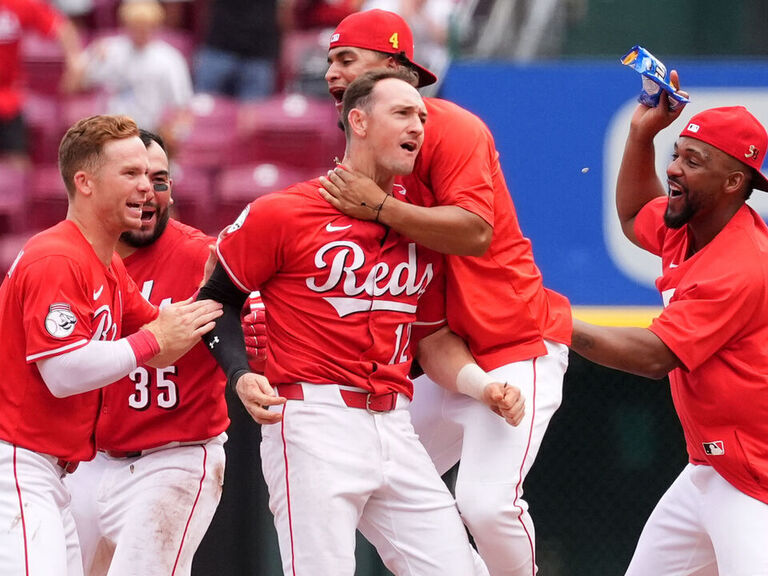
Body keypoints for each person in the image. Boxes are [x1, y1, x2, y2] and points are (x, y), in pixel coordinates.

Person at [199, 69, 524, 576]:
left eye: (422, 115)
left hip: (395, 425)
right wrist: (239, 374)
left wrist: (482, 387)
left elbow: (433, 338)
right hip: (312, 420)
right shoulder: (284, 212)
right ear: (359, 120)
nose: (419, 124)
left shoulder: (420, 226)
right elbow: (216, 299)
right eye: (402, 113)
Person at [318, 10, 571, 576]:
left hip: (517, 345)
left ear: (391, 65)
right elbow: (425, 326)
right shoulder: (368, 161)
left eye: (345, 58)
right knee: (372, 486)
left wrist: (380, 207)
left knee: (484, 503)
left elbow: (476, 233)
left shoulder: (449, 126)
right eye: (331, 60)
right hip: (449, 359)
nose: (331, 71)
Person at [0, 114, 222, 575]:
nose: (147, 187)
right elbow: (62, 373)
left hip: (50, 472)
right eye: (130, 174)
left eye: (150, 174)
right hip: (15, 466)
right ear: (85, 182)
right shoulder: (58, 257)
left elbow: (163, 337)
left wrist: (217, 298)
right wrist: (151, 339)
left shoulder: (103, 261)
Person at [570, 78, 768, 574]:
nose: (674, 167)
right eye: (677, 153)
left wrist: (547, 318)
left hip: (755, 481)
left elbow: (655, 356)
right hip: (710, 468)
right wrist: (642, 135)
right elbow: (637, 211)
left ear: (733, 183)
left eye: (694, 161)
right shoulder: (692, 226)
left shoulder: (742, 264)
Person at [64, 130, 229, 576]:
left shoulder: (203, 255)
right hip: (86, 462)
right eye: (135, 177)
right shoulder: (68, 261)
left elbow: (253, 337)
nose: (148, 191)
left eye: (160, 179)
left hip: (172, 458)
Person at [68, 0, 194, 133]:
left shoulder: (170, 59)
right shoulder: (108, 50)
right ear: (125, 25)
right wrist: (91, 60)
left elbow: (182, 107)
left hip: (150, 132)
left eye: (145, 26)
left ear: (156, 26)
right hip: (109, 130)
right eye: (135, 26)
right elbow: (72, 86)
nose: (140, 32)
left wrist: (174, 133)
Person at [0, 0, 83, 165]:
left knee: (17, 162)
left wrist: (75, 61)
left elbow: (62, 29)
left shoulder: (18, 5)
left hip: (9, 99)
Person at [193, 0, 282, 100]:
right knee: (206, 112)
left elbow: (283, 12)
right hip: (218, 48)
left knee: (253, 114)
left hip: (258, 55)